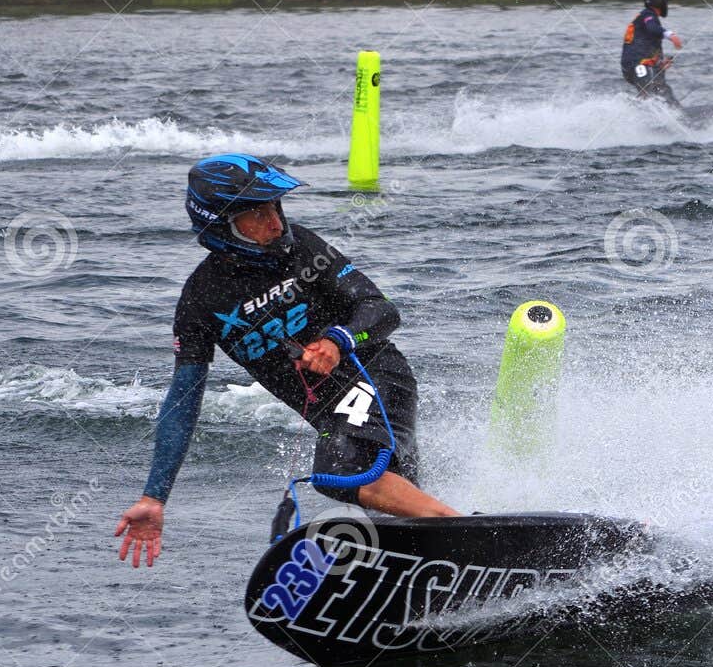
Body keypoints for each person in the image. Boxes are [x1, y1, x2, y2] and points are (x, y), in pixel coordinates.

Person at [116, 154, 457, 568]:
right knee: (401, 528)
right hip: (335, 416)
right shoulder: (200, 300)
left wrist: (338, 340)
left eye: (276, 207)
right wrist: (155, 496)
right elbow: (183, 401)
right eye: (257, 214)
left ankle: (461, 526)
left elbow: (381, 309)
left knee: (339, 469)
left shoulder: (304, 251)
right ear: (220, 224)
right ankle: (451, 560)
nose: (276, 223)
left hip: (381, 379)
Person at [621, 0, 685, 104]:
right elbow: (652, 28)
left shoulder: (648, 18)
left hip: (642, 66)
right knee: (650, 92)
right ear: (659, 3)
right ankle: (632, 114)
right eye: (665, 2)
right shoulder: (647, 15)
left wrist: (660, 63)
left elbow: (646, 46)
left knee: (665, 94)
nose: (666, 6)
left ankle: (676, 114)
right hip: (638, 66)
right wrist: (670, 35)